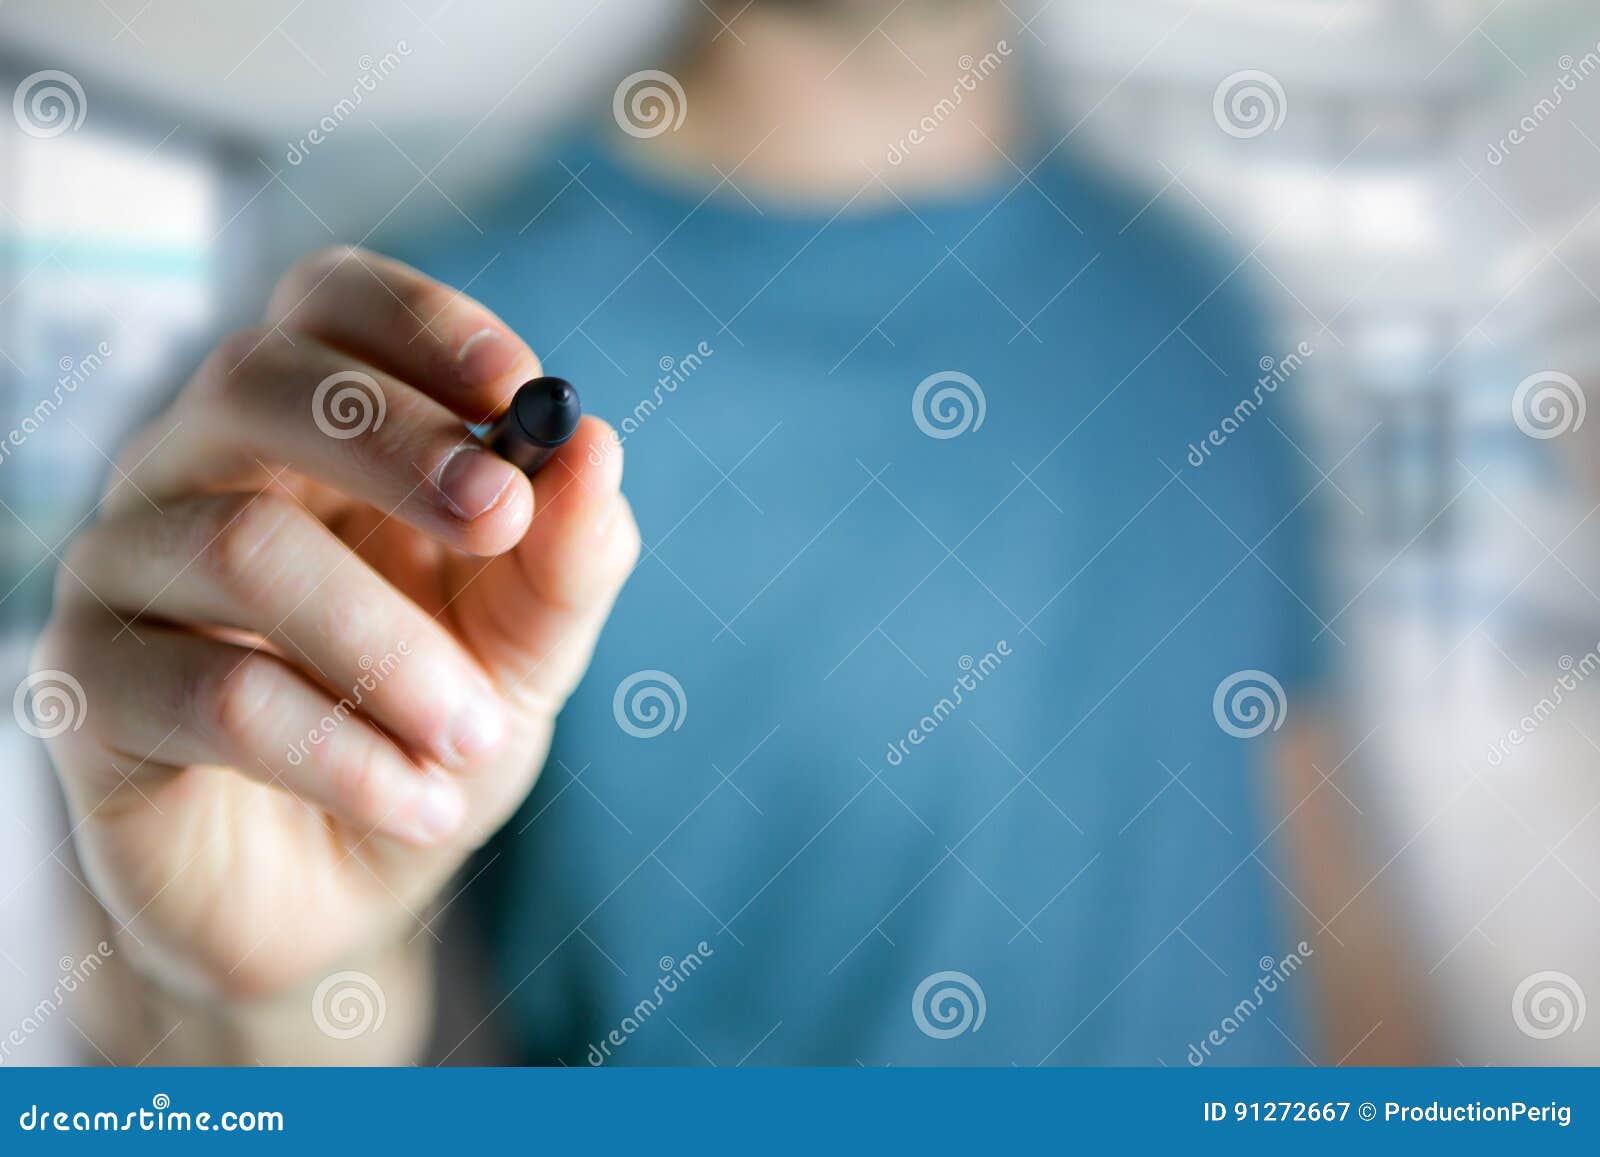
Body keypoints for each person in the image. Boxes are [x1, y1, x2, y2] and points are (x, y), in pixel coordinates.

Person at [33, 0, 1422, 1065]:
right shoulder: (419, 380)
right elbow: (291, 1018)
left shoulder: (1191, 307)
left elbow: (1332, 927)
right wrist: (261, 1011)